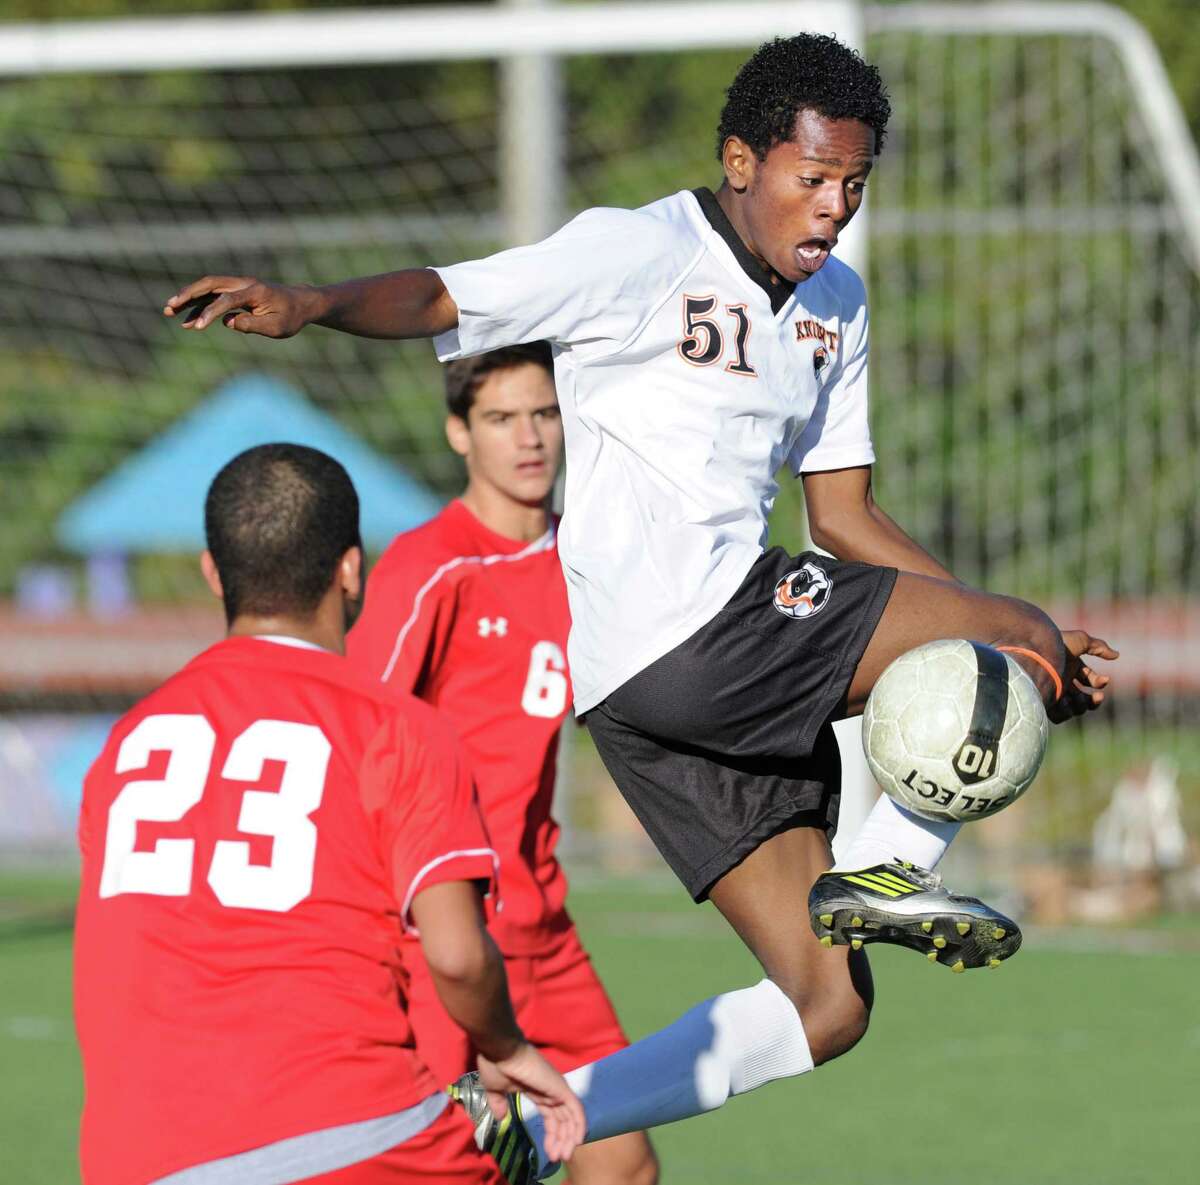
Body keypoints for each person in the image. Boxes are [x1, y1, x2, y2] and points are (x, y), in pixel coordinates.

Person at [164, 33, 1117, 1172]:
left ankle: (531, 1122)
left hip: (644, 700)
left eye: (854, 186)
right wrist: (312, 301)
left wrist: (993, 633)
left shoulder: (838, 306)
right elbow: (443, 294)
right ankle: (897, 865)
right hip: (697, 626)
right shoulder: (635, 249)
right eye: (810, 179)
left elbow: (847, 519)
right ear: (738, 160)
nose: (833, 209)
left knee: (828, 1007)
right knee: (1007, 638)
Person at [73, 443, 583, 1185]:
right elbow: (457, 955)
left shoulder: (125, 743)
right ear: (351, 570)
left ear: (213, 573)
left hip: (134, 1161)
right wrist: (506, 1048)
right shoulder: (397, 727)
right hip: (353, 1142)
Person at [346, 343, 657, 1185]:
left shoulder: (589, 559)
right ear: (458, 433)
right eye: (499, 418)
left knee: (622, 1160)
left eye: (545, 413)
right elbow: (350, 741)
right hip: (443, 942)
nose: (529, 437)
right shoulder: (430, 565)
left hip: (544, 930)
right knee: (486, 1167)